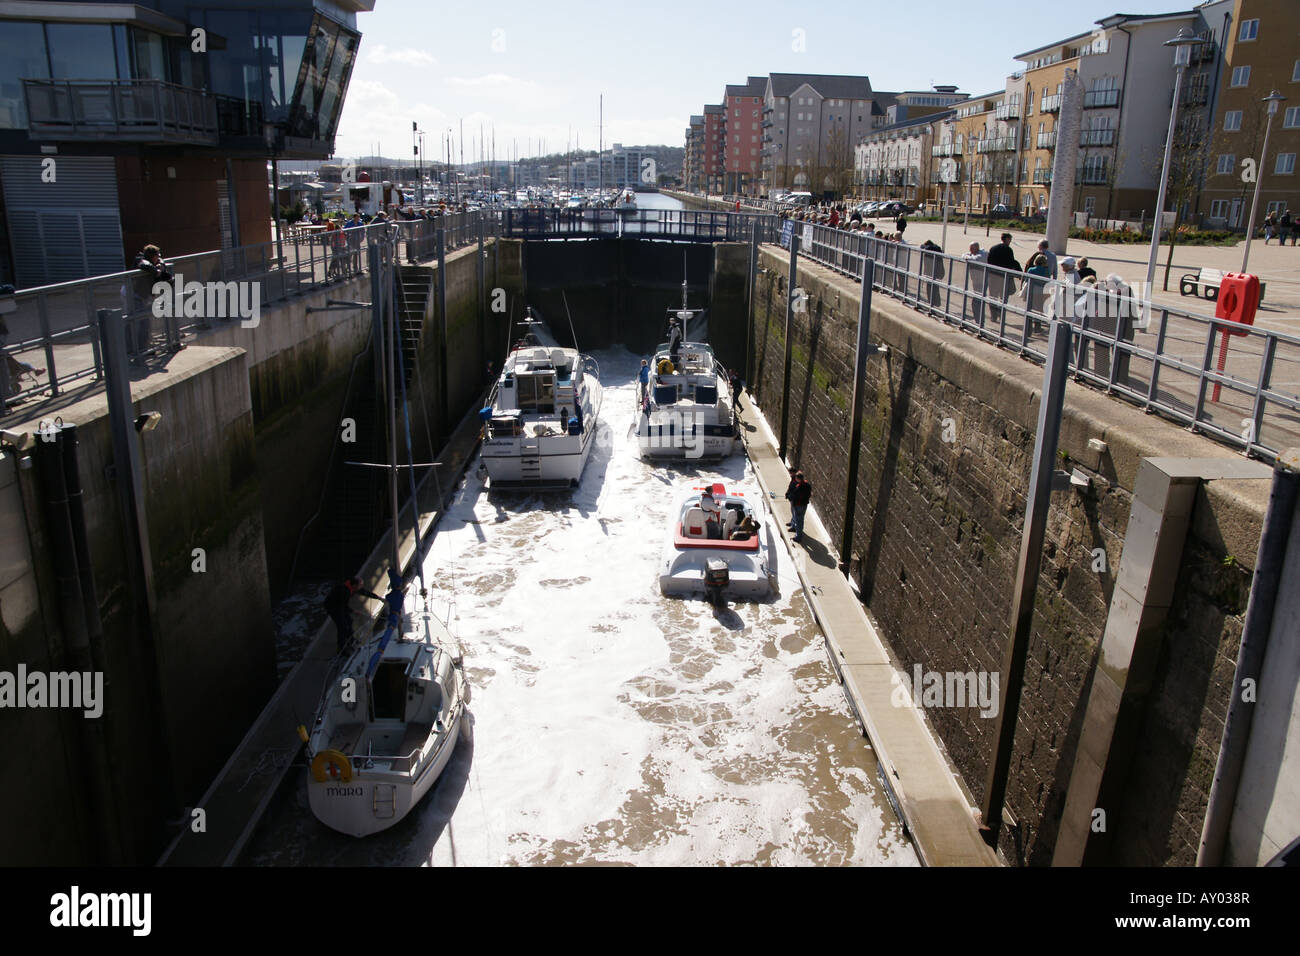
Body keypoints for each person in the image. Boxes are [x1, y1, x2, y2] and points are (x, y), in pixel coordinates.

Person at [124, 244, 176, 362]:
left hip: (141, 295)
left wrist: (161, 267)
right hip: (133, 294)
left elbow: (161, 263)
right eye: (156, 256)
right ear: (151, 256)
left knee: (141, 321)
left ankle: (140, 348)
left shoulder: (156, 262)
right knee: (139, 321)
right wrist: (157, 271)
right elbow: (143, 264)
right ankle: (137, 349)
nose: (158, 258)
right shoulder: (141, 260)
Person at [323, 576, 382, 654]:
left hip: (340, 605)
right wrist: (354, 611)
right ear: (354, 585)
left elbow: (364, 592)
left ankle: (351, 640)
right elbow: (342, 606)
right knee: (342, 626)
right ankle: (342, 649)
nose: (361, 587)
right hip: (333, 607)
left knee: (349, 621)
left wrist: (377, 597)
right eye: (360, 585)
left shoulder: (352, 587)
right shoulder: (344, 591)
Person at [985, 233, 1021, 323]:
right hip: (1004, 278)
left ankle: (993, 316)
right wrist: (1018, 271)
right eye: (1010, 239)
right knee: (1003, 298)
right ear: (1006, 239)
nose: (1010, 241)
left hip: (993, 276)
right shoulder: (1008, 250)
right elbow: (1012, 262)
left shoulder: (993, 248)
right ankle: (1001, 316)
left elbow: (989, 261)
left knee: (993, 297)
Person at [784, 470, 812, 542]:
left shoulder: (800, 486)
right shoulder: (807, 485)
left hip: (798, 505)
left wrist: (791, 497)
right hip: (803, 505)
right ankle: (794, 528)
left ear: (798, 479)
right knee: (799, 519)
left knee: (799, 520)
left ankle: (798, 537)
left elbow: (797, 496)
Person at [919, 239, 945, 308]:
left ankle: (932, 303)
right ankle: (935, 303)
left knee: (930, 288)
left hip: (933, 272)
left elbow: (923, 247)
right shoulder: (937, 249)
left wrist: (924, 246)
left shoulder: (931, 249)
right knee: (935, 288)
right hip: (937, 272)